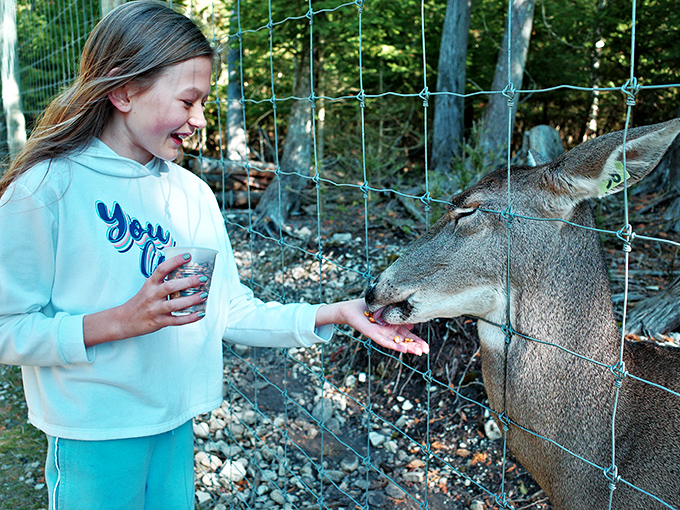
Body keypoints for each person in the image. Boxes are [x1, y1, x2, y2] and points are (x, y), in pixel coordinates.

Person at [0, 2, 428, 509]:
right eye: (188, 101)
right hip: (92, 435)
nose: (200, 120)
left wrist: (336, 312)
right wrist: (121, 320)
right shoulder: (46, 189)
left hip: (175, 426)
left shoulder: (193, 195)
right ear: (121, 90)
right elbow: (8, 327)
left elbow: (228, 309)